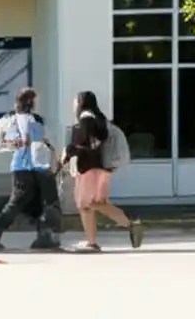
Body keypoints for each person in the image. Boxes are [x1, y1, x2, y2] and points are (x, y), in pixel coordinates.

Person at [62, 90, 145, 252]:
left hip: (89, 168)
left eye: (75, 101)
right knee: (98, 203)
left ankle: (92, 243)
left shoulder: (86, 117)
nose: (73, 105)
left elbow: (87, 142)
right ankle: (132, 223)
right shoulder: (100, 118)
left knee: (86, 205)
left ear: (81, 102)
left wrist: (71, 150)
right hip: (102, 169)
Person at [0, 87, 58, 251]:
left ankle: (44, 236)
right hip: (25, 166)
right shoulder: (8, 120)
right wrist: (15, 144)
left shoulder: (37, 120)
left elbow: (49, 142)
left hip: (38, 166)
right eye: (33, 100)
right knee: (17, 202)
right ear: (29, 102)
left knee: (44, 201)